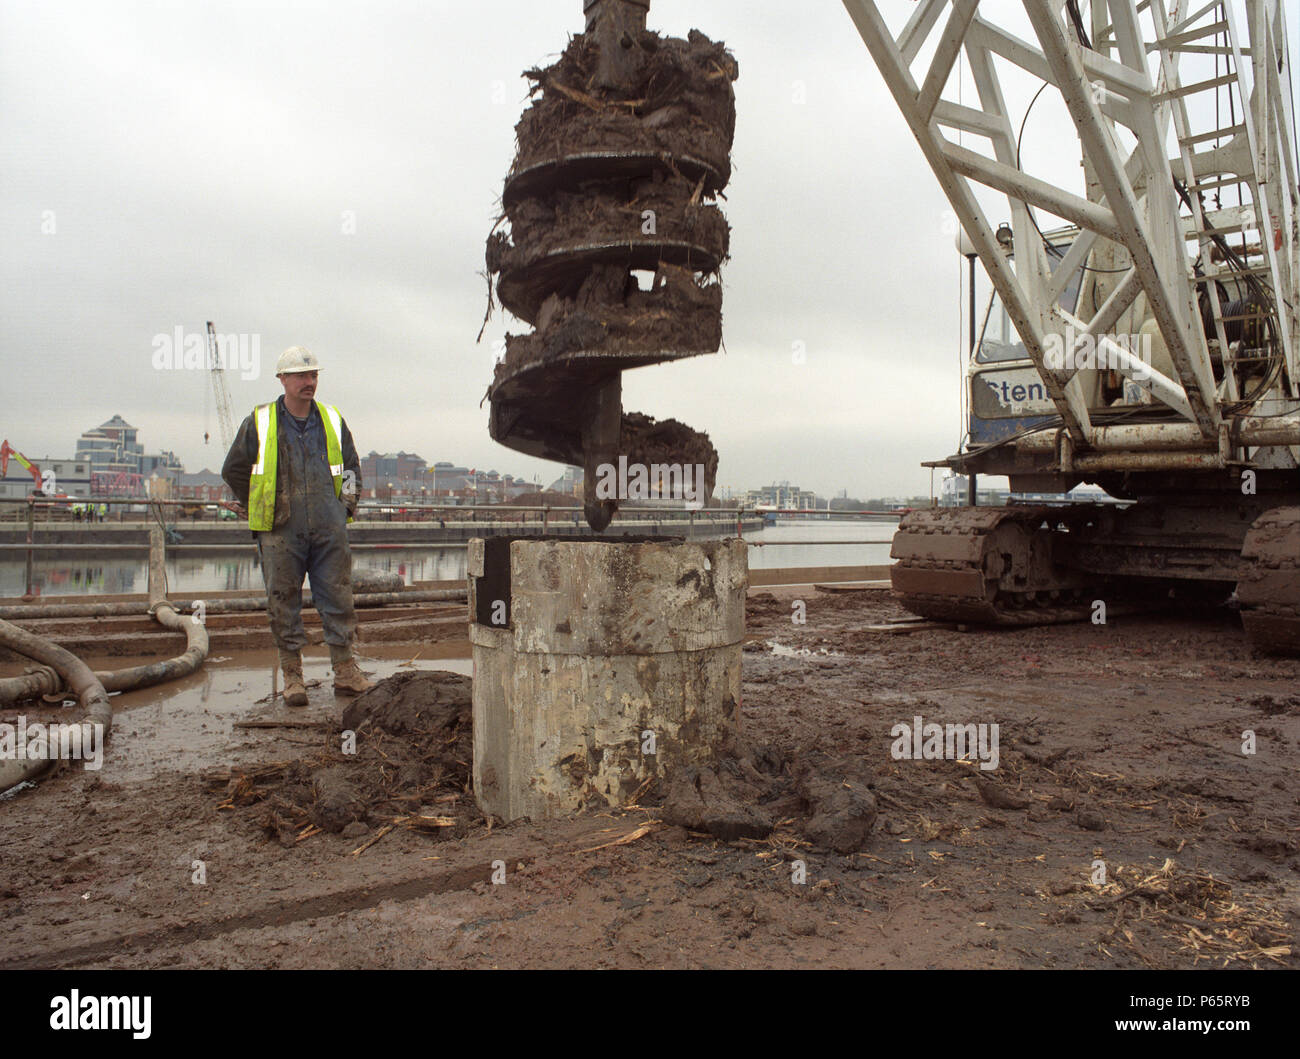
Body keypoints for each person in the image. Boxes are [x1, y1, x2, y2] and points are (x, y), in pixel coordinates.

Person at [221, 345, 371, 707]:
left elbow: (351, 465)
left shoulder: (332, 420)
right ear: (283, 379)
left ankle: (346, 670)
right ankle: (292, 675)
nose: (309, 382)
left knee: (338, 597)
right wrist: (255, 503)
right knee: (282, 600)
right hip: (280, 530)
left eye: (313, 375)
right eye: (302, 376)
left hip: (328, 527)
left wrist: (345, 505)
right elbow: (234, 469)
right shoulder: (260, 422)